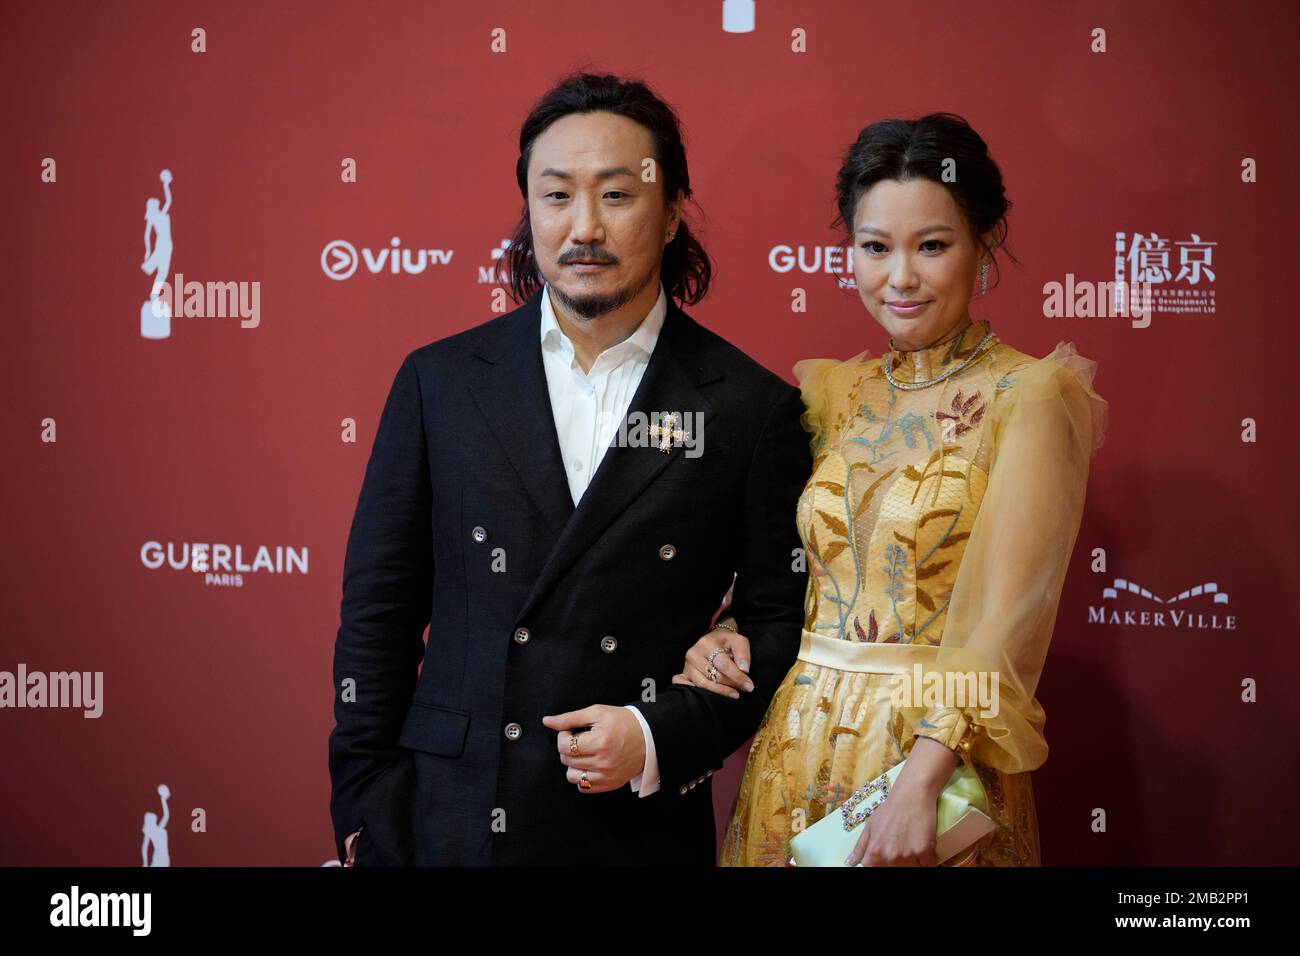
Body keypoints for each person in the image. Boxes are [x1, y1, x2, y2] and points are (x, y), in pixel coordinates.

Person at [328, 72, 809, 866]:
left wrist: (660, 733)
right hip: (443, 821)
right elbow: (378, 608)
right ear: (529, 210)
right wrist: (363, 812)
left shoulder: (751, 408)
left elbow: (776, 621)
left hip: (634, 829)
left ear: (673, 209)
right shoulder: (439, 383)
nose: (584, 226)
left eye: (617, 195)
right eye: (556, 197)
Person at [674, 113, 1108, 866]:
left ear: (986, 243)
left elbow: (1008, 628)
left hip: (931, 766)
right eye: (875, 248)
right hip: (796, 747)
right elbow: (791, 577)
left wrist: (920, 780)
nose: (898, 277)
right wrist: (730, 627)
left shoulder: (1029, 396)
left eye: (931, 246)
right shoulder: (833, 394)